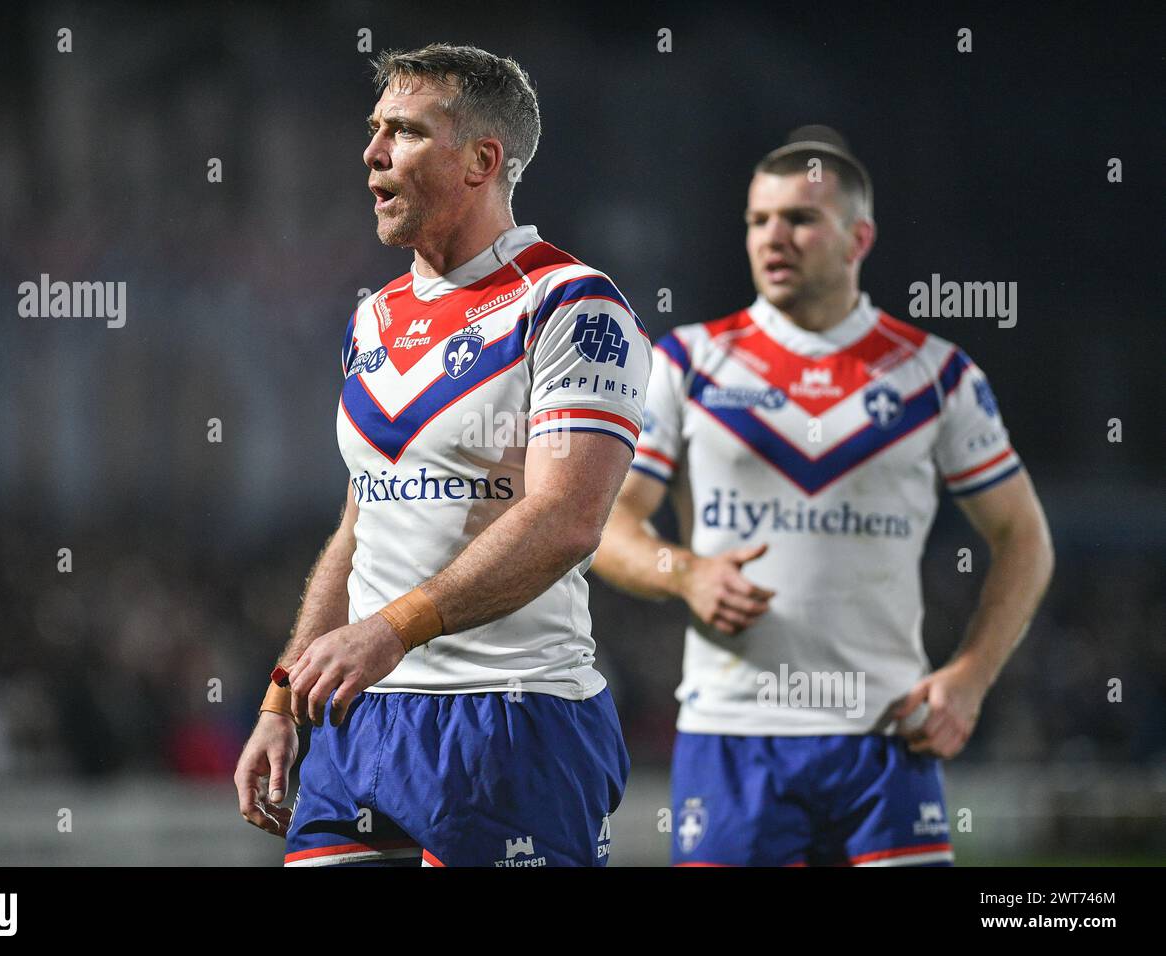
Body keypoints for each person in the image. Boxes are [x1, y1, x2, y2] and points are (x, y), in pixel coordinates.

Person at [233, 43, 651, 867]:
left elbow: (567, 519)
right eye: (374, 128)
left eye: (405, 131)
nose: (372, 153)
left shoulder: (569, 304)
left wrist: (392, 631)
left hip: (511, 716)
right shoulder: (371, 320)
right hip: (363, 719)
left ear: (481, 161)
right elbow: (360, 524)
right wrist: (282, 698)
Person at [593, 127, 1054, 867]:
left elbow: (1024, 538)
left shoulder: (935, 375)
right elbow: (609, 522)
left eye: (800, 218)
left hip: (886, 737)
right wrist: (687, 573)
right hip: (732, 738)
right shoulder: (686, 362)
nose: (773, 236)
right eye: (758, 220)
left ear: (858, 236)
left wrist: (969, 678)